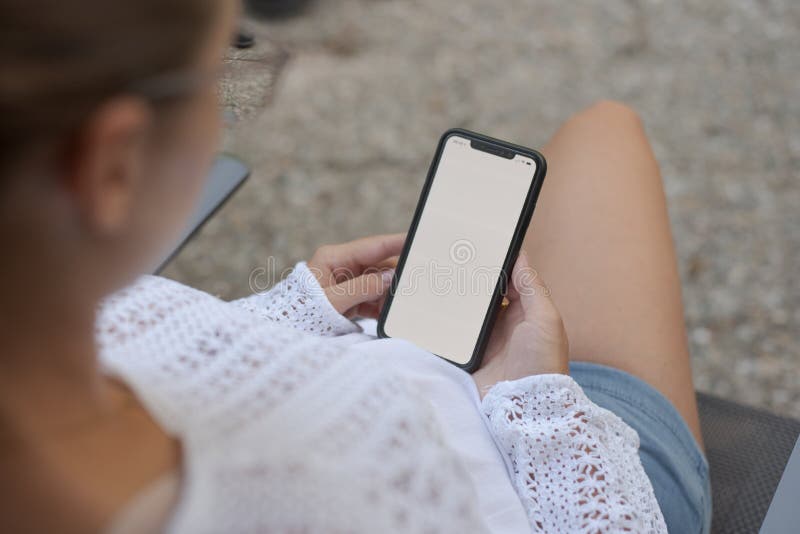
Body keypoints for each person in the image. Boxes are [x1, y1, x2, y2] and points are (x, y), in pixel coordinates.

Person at [0, 0, 711, 532]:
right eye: (228, 62)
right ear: (112, 164)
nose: (225, 114)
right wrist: (540, 403)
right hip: (558, 467)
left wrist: (286, 318)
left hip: (396, 361)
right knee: (606, 132)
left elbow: (146, 346)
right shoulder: (342, 490)